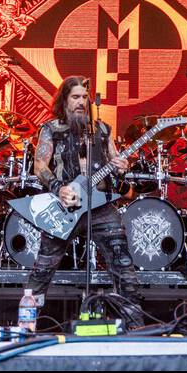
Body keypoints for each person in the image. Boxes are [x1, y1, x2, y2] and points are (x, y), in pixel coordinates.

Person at [25, 76, 145, 327]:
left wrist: (121, 167)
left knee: (124, 267)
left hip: (101, 207)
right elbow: (40, 166)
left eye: (84, 97)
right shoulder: (51, 128)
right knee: (42, 269)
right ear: (64, 100)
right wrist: (59, 188)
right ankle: (26, 325)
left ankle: (136, 328)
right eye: (75, 97)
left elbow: (115, 163)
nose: (81, 102)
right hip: (64, 207)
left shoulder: (102, 130)